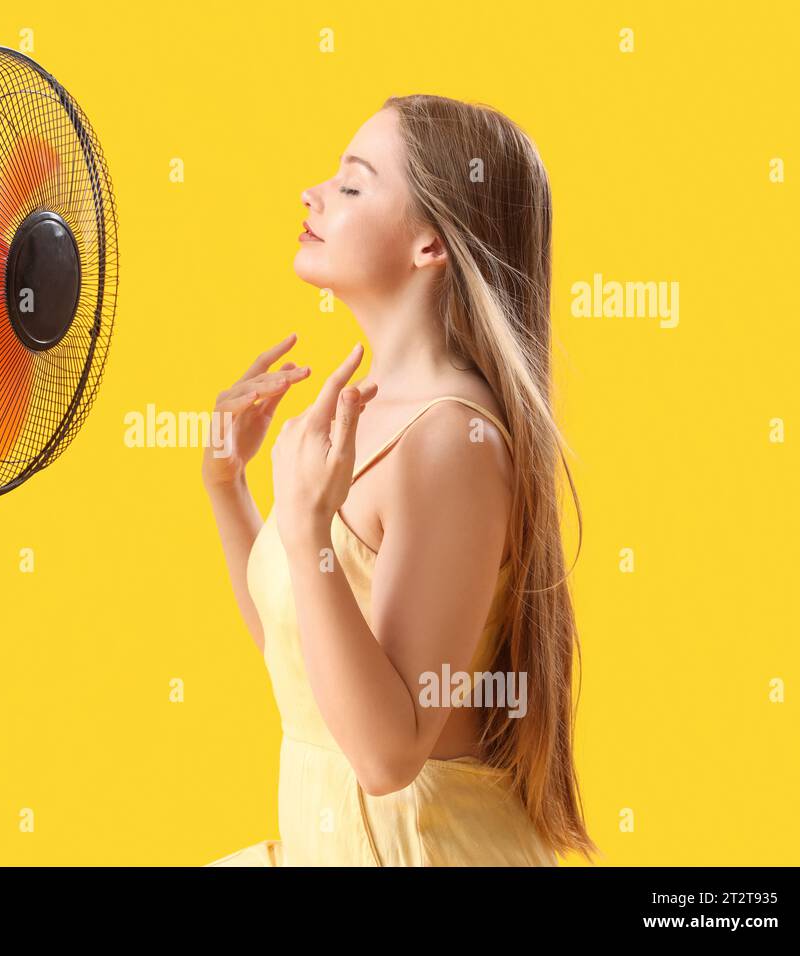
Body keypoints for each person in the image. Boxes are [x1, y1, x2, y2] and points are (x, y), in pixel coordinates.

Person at [202, 94, 598, 866]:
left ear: (429, 247)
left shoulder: (452, 440)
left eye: (352, 186)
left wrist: (313, 530)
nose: (312, 195)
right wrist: (228, 485)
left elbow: (387, 758)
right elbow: (310, 674)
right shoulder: (365, 417)